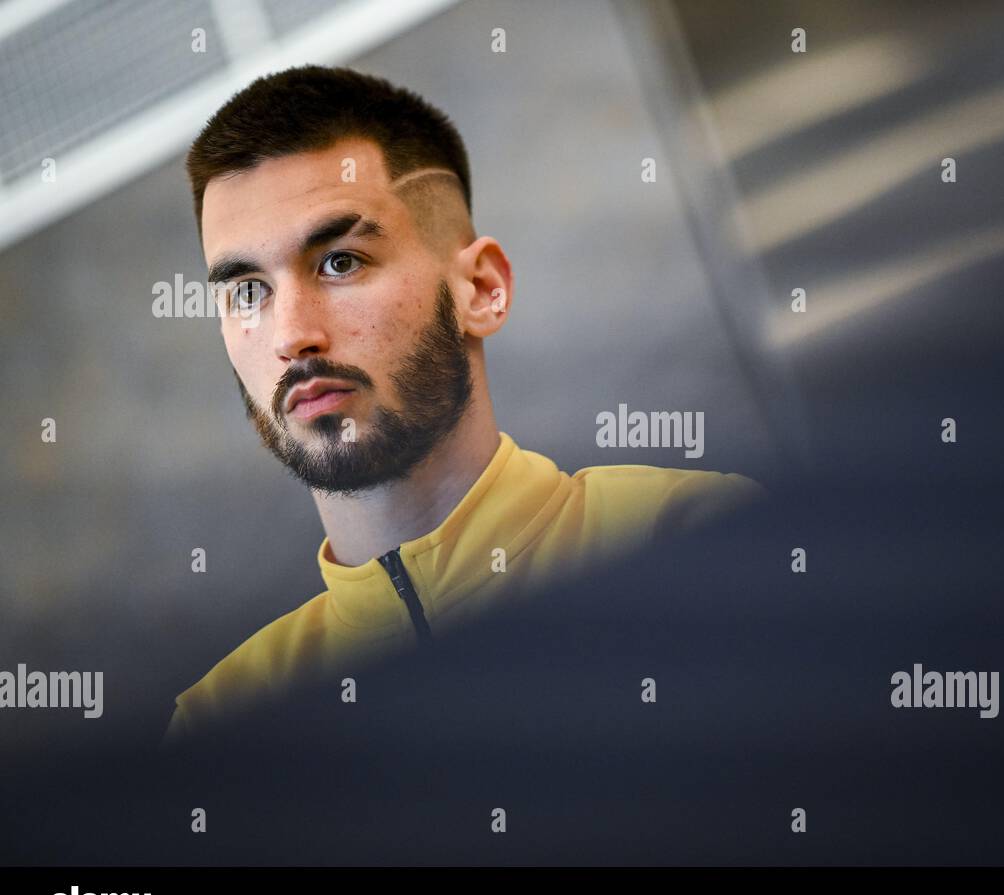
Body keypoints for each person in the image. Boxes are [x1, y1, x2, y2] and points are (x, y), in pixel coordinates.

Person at [164, 66, 765, 744]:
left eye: (340, 262)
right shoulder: (223, 726)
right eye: (247, 291)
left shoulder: (699, 539)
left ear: (480, 289)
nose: (291, 334)